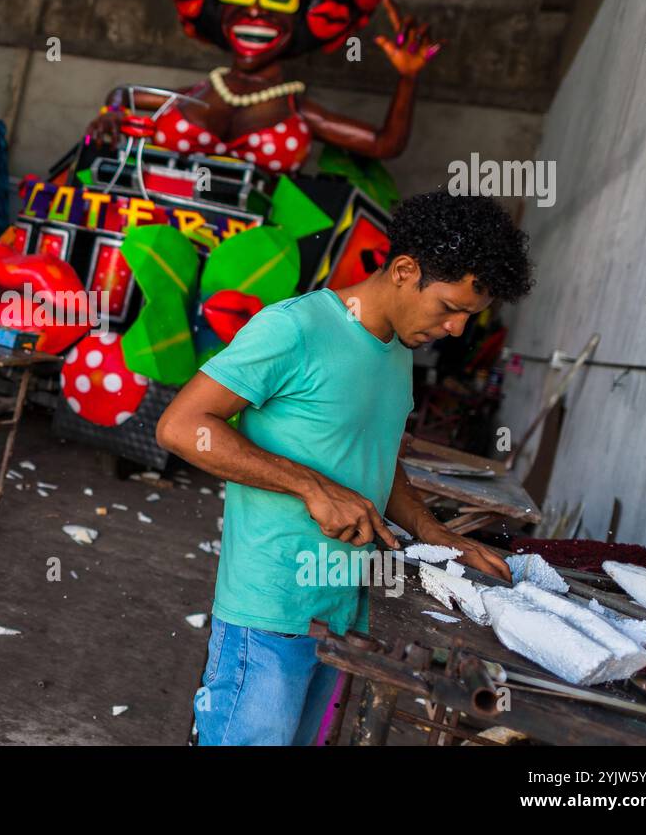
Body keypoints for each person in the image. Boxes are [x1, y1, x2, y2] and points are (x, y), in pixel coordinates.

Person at [156, 190, 534, 746]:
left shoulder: (398, 349)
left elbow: (375, 454)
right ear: (405, 271)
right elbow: (183, 426)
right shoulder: (297, 328)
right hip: (271, 607)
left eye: (468, 316)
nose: (456, 329)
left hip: (343, 607)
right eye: (450, 308)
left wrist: (435, 533)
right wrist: (311, 486)